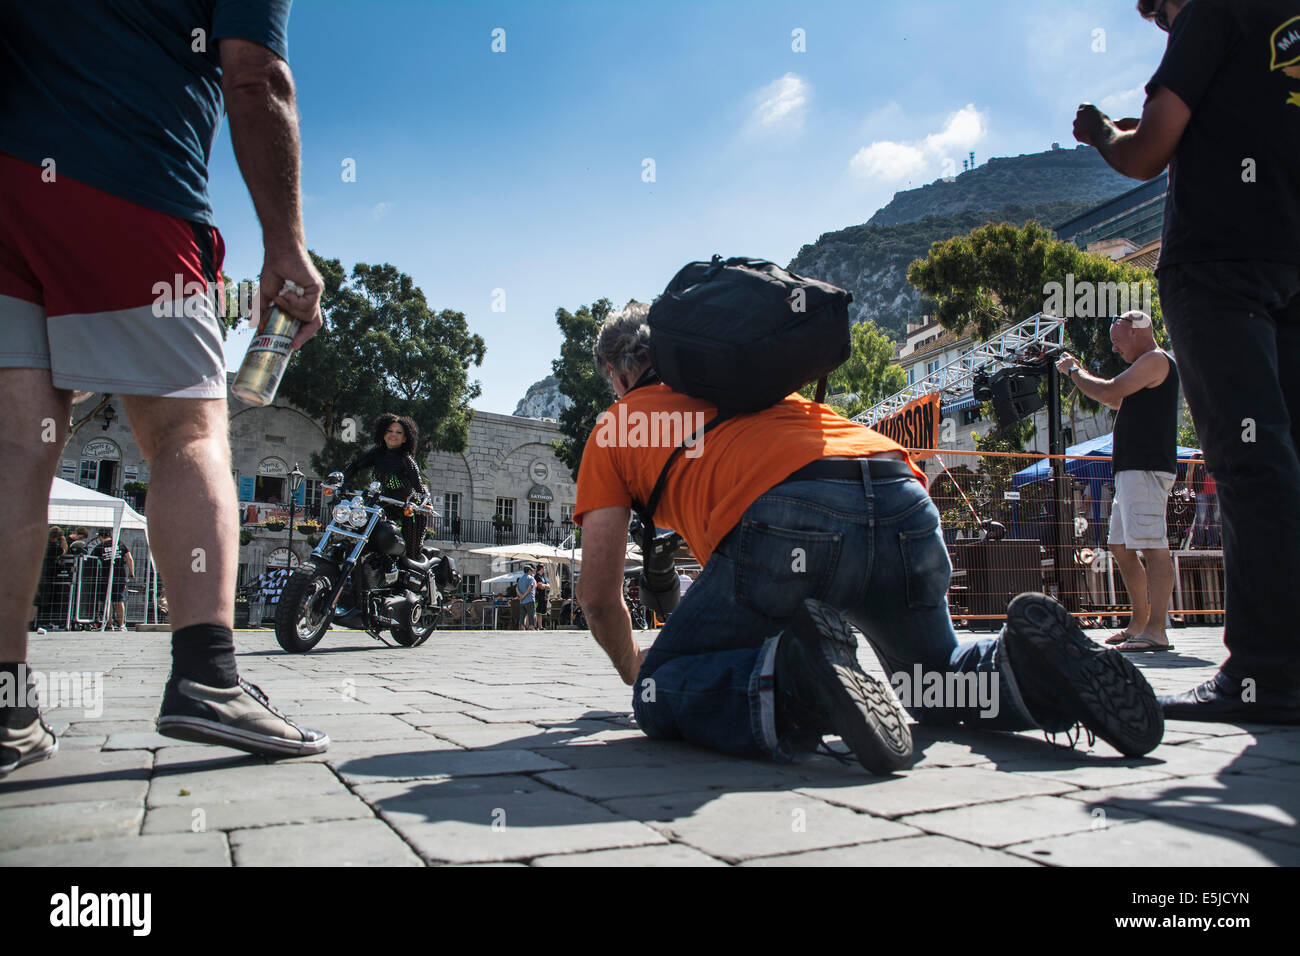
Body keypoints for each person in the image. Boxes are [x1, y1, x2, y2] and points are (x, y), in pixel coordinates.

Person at [573, 303, 1163, 774]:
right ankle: (1033, 665)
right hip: (900, 494)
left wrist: (633, 667)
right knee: (929, 680)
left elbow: (598, 596)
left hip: (790, 522)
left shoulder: (616, 426)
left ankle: (798, 679)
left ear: (621, 374)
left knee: (659, 691)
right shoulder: (754, 389)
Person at [0, 0, 329, 780]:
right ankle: (208, 675)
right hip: (131, 182)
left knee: (16, 444)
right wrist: (285, 246)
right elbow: (256, 80)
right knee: (186, 433)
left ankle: (7, 704)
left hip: (9, 185)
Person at [1073, 0, 1300, 722]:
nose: (1160, 22)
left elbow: (1146, 154)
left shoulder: (1215, 8)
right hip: (1288, 257)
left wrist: (1102, 132)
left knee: (1249, 462)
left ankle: (1266, 673)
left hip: (1218, 262)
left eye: (1159, 9)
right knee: (1285, 460)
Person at [1056, 310, 1180, 652]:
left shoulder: (1155, 360)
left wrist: (1074, 371)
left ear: (1137, 331)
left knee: (1154, 546)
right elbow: (1115, 396)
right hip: (1132, 470)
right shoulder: (1146, 365)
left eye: (1117, 341)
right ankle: (1139, 624)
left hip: (1147, 467)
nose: (1114, 349)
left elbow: (1110, 393)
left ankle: (1157, 629)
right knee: (1121, 546)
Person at [340, 413, 430, 559]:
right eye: (389, 431)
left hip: (403, 507)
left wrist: (426, 503)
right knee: (358, 527)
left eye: (398, 432)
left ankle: (412, 567)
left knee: (411, 546)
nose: (393, 435)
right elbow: (355, 466)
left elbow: (419, 485)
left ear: (405, 438)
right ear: (383, 433)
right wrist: (343, 482)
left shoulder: (406, 460)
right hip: (380, 506)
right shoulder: (376, 453)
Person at [91, 529, 136, 631]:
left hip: (105, 576)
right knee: (119, 600)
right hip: (120, 575)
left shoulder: (99, 547)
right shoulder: (119, 543)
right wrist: (131, 572)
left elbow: (92, 562)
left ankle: (109, 624)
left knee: (108, 601)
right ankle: (121, 625)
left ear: (100, 537)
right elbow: (129, 558)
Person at [516, 565, 537, 630]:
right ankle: (531, 627)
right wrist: (524, 595)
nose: (532, 571)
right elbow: (530, 587)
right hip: (529, 599)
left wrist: (520, 595)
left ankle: (522, 627)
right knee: (531, 615)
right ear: (529, 571)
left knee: (522, 615)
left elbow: (516, 588)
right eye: (531, 570)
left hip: (522, 601)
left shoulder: (520, 579)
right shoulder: (531, 578)